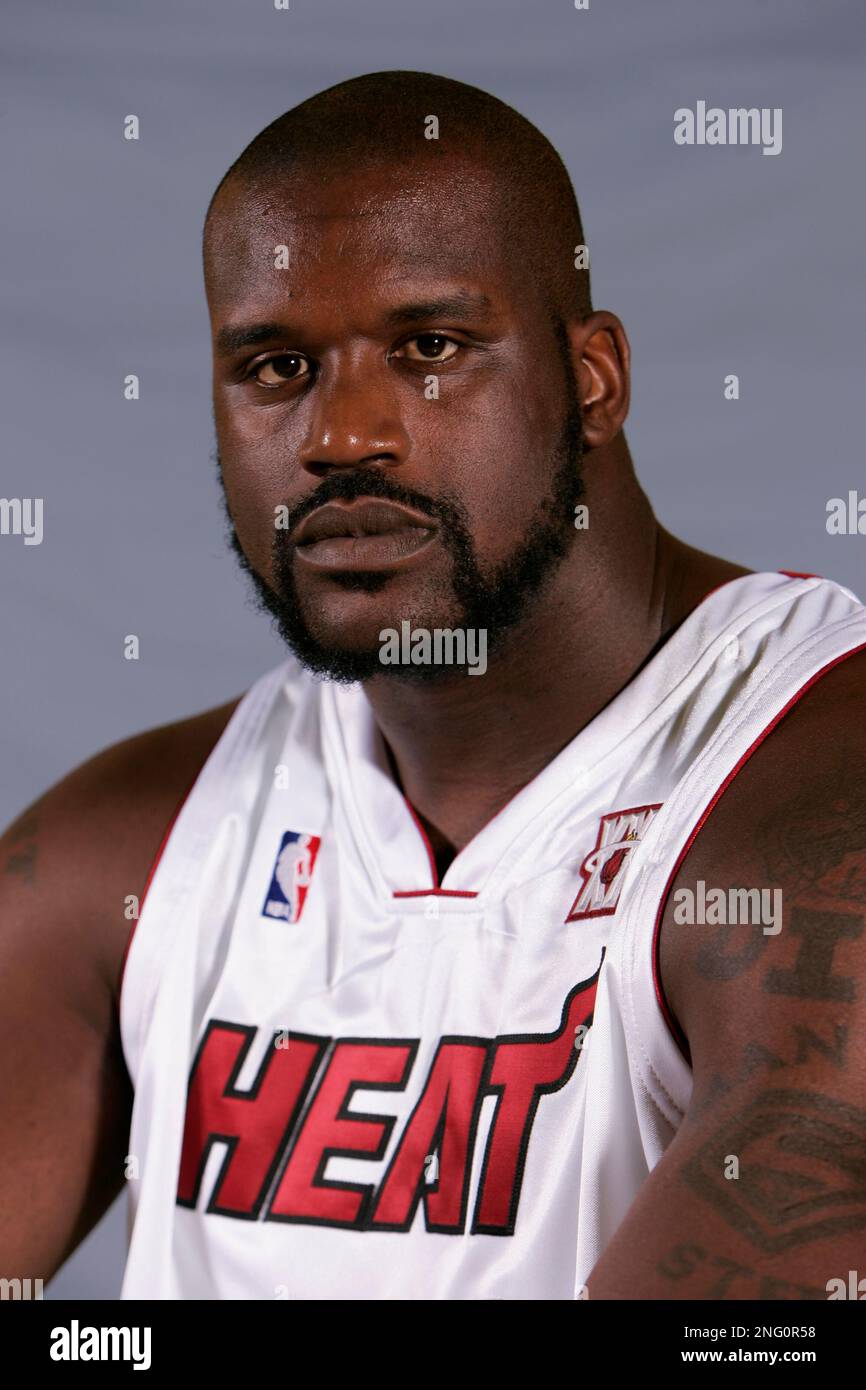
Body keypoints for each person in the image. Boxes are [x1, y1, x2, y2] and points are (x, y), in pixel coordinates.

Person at [2, 70, 865, 1301]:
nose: (342, 435)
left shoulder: (813, 814)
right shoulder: (130, 854)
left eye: (430, 349)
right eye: (274, 366)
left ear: (593, 381)